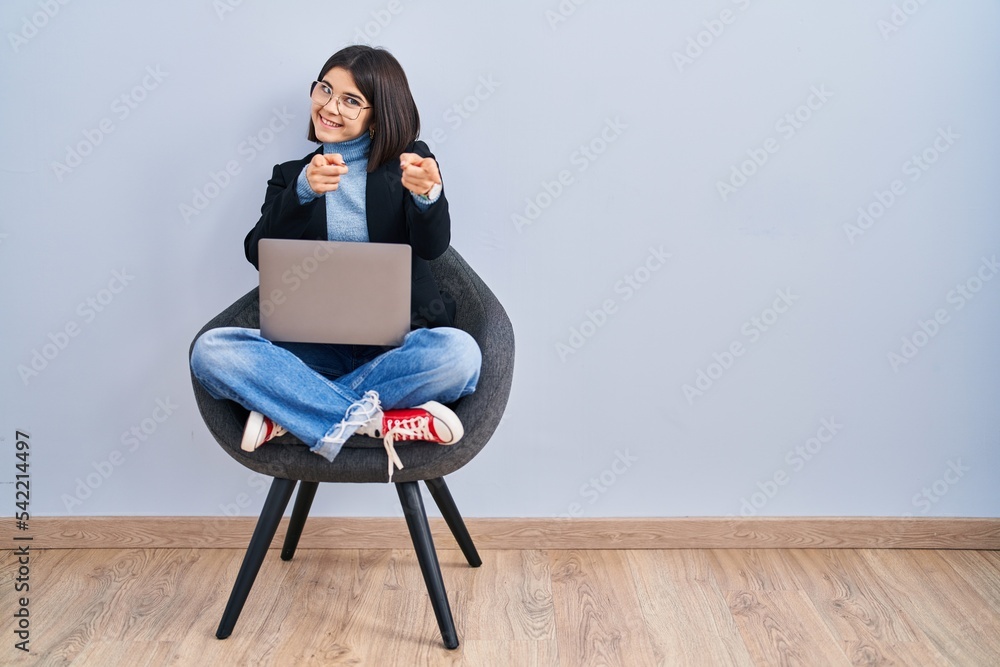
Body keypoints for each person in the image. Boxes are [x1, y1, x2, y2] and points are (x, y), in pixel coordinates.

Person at [190, 45, 481, 480]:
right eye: (325, 89)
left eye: (350, 99)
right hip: (308, 355)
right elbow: (258, 254)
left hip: (395, 349)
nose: (328, 107)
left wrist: (427, 196)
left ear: (378, 116)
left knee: (460, 355)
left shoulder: (406, 162)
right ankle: (379, 423)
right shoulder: (291, 175)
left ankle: (291, 418)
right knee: (211, 352)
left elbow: (433, 246)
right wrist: (301, 194)